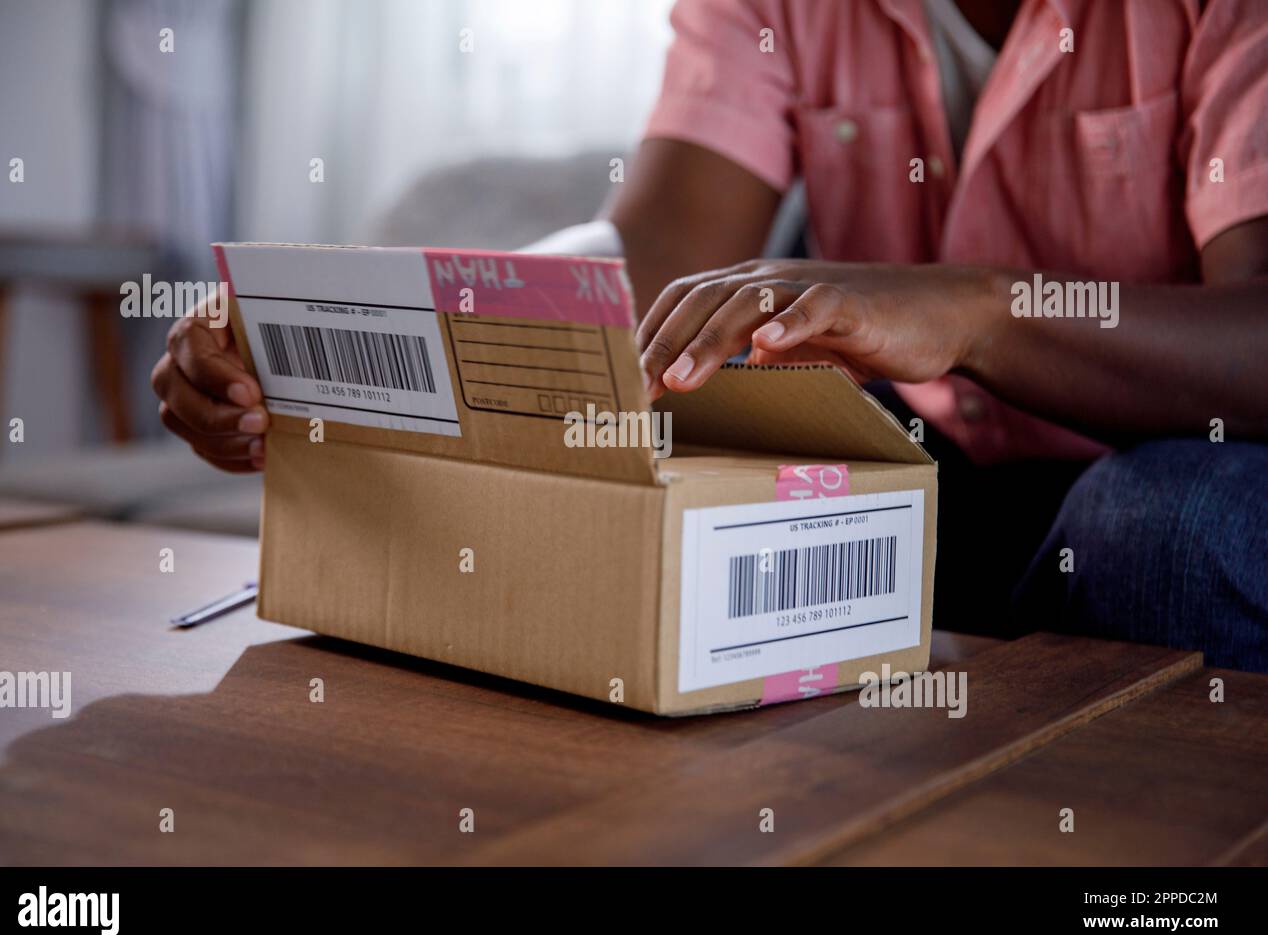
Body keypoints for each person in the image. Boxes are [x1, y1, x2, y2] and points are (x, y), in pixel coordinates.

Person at [152, 0, 1268, 670]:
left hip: (1166, 472)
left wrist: (973, 309)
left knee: (1153, 528)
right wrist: (333, 335)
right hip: (942, 482)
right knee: (684, 427)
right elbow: (650, 264)